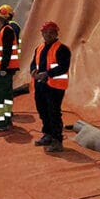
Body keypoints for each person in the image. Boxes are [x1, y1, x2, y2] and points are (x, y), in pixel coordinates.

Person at [30, 22, 71, 152]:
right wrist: (33, 72)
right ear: (42, 33)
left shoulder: (62, 49)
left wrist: (47, 74)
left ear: (56, 33)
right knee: (42, 110)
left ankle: (57, 140)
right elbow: (34, 63)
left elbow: (63, 67)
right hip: (41, 85)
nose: (48, 35)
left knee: (54, 113)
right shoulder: (39, 48)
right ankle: (47, 134)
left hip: (55, 87)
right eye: (46, 32)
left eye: (51, 32)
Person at [0, 5, 20, 132]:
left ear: (2, 19)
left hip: (3, 70)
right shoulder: (5, 30)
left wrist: (2, 67)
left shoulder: (6, 31)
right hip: (6, 69)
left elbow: (6, 51)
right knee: (6, 95)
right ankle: (6, 120)